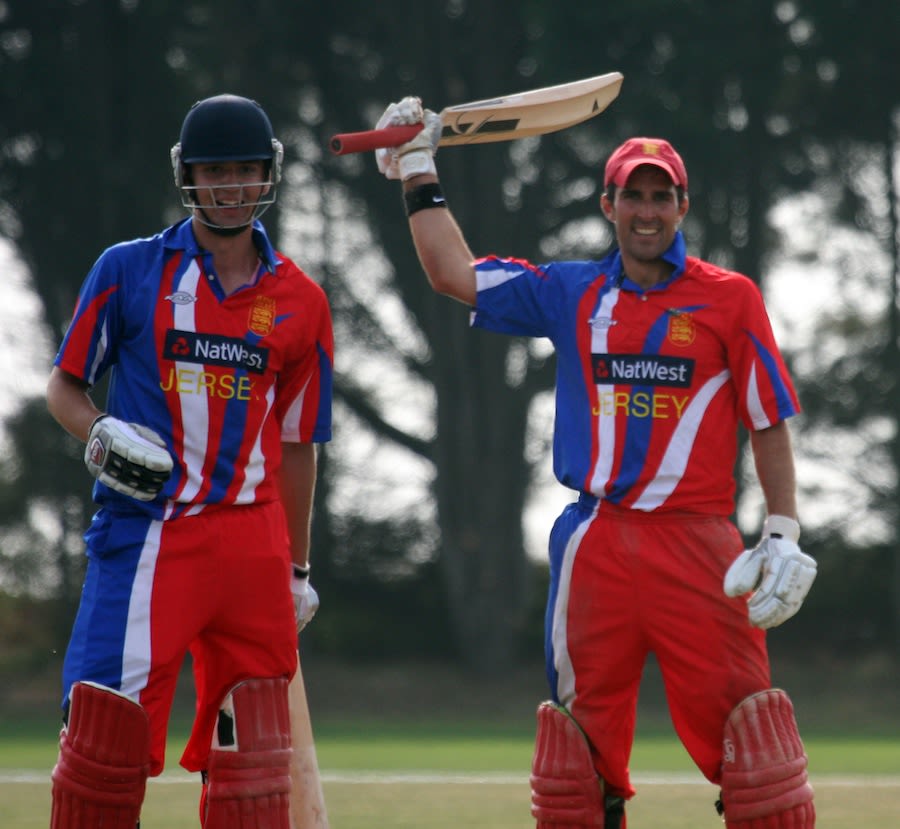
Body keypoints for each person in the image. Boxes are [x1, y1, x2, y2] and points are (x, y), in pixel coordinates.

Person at [372, 97, 819, 829]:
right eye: (632, 196)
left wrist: (783, 531)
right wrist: (418, 166)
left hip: (699, 544)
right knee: (573, 768)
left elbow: (769, 420)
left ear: (682, 205)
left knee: (759, 754)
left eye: (661, 196)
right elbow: (453, 273)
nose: (647, 211)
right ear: (607, 203)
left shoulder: (729, 298)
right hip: (596, 541)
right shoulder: (572, 291)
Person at [45, 94, 333, 829]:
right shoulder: (129, 271)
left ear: (267, 175)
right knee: (102, 748)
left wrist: (296, 568)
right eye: (214, 172)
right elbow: (65, 384)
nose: (230, 187)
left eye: (244, 170)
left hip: (252, 539)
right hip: (150, 533)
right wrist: (100, 431)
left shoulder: (302, 300)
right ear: (187, 175)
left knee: (255, 764)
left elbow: (299, 443)